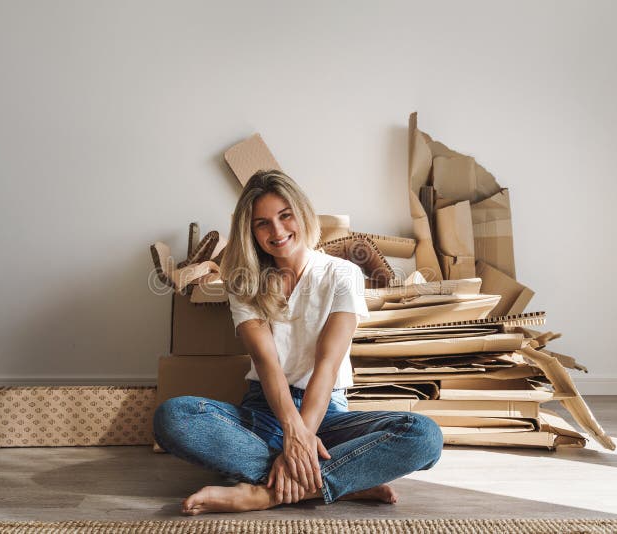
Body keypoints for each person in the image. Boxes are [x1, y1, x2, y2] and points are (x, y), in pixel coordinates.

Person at [153, 170, 442, 515]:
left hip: (328, 414)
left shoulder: (342, 274)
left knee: (424, 435)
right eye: (262, 223)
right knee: (174, 417)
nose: (277, 231)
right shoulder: (244, 282)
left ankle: (268, 493)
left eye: (285, 215)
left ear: (302, 213)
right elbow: (267, 362)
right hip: (266, 411)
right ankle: (338, 481)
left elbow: (328, 364)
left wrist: (304, 435)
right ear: (251, 231)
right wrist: (293, 434)